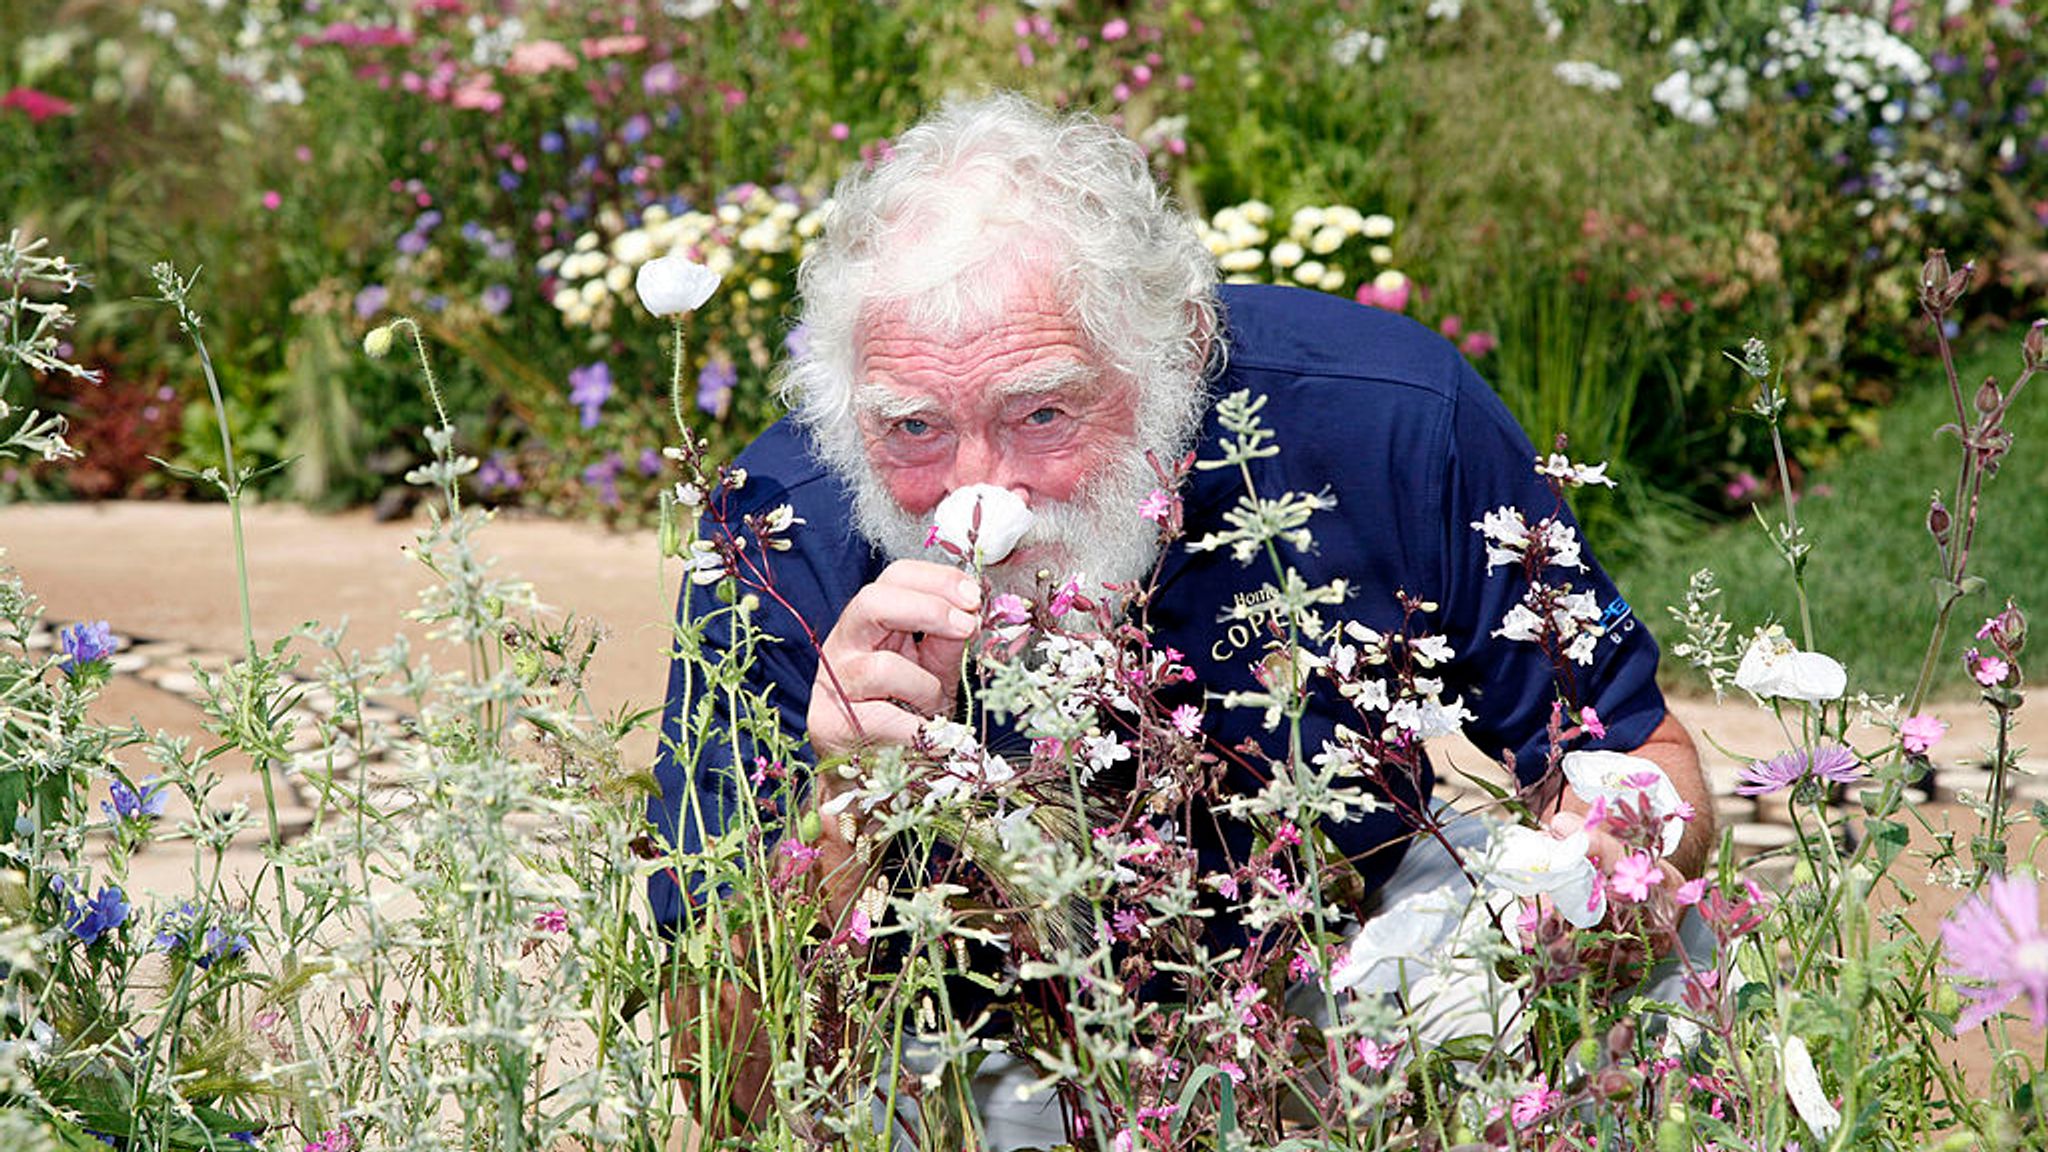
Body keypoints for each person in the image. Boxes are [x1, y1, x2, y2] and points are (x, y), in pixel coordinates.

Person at [647, 92, 1713, 1143]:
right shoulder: (777, 530)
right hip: (988, 1032)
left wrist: (1616, 855)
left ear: (1179, 351)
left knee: (1676, 964)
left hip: (1351, 943)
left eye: (1043, 412)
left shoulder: (1384, 414)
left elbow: (1634, 752)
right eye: (914, 428)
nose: (984, 500)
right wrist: (844, 806)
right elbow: (725, 1076)